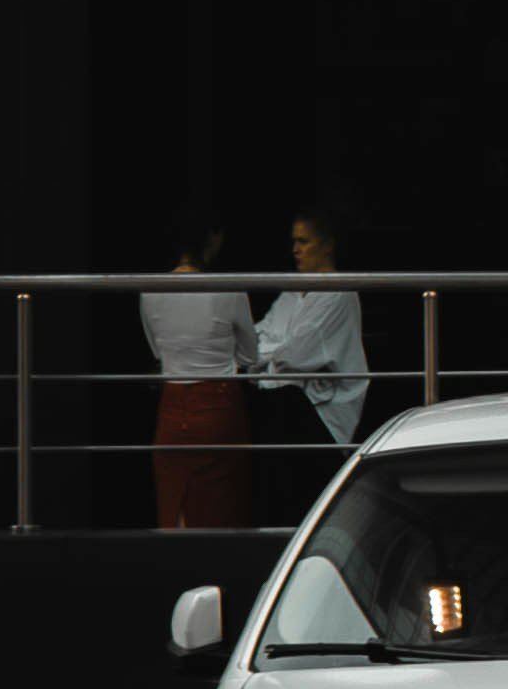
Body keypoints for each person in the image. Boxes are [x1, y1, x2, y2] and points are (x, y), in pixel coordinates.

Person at [140, 234, 255, 531]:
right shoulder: (227, 289)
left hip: (172, 406)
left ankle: (181, 574)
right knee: (223, 509)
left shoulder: (150, 291)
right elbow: (249, 354)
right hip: (219, 404)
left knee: (174, 507)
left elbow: (157, 351)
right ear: (211, 245)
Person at [254, 210, 371, 458]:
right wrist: (276, 351)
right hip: (280, 405)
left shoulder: (338, 292)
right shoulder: (291, 294)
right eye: (294, 242)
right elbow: (253, 339)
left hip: (319, 415)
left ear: (327, 245)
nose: (296, 249)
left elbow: (295, 355)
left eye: (303, 241)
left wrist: (270, 353)